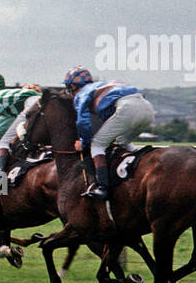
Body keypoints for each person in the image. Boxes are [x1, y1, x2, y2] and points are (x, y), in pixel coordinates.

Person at [65, 67, 156, 200]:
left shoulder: (81, 93)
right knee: (122, 140)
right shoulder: (104, 85)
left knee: (97, 144)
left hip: (128, 108)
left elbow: (83, 122)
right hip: (148, 109)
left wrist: (84, 143)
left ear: (72, 85)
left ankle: (102, 187)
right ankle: (138, 166)